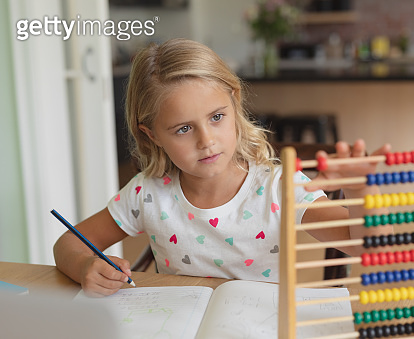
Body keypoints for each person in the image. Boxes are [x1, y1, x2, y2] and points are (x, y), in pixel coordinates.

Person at [53, 38, 392, 297]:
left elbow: (365, 244)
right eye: (183, 128)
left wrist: (361, 192)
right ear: (151, 134)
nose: (207, 141)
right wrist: (86, 265)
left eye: (216, 118)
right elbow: (68, 243)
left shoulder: (279, 186)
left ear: (234, 102)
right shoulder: (146, 192)